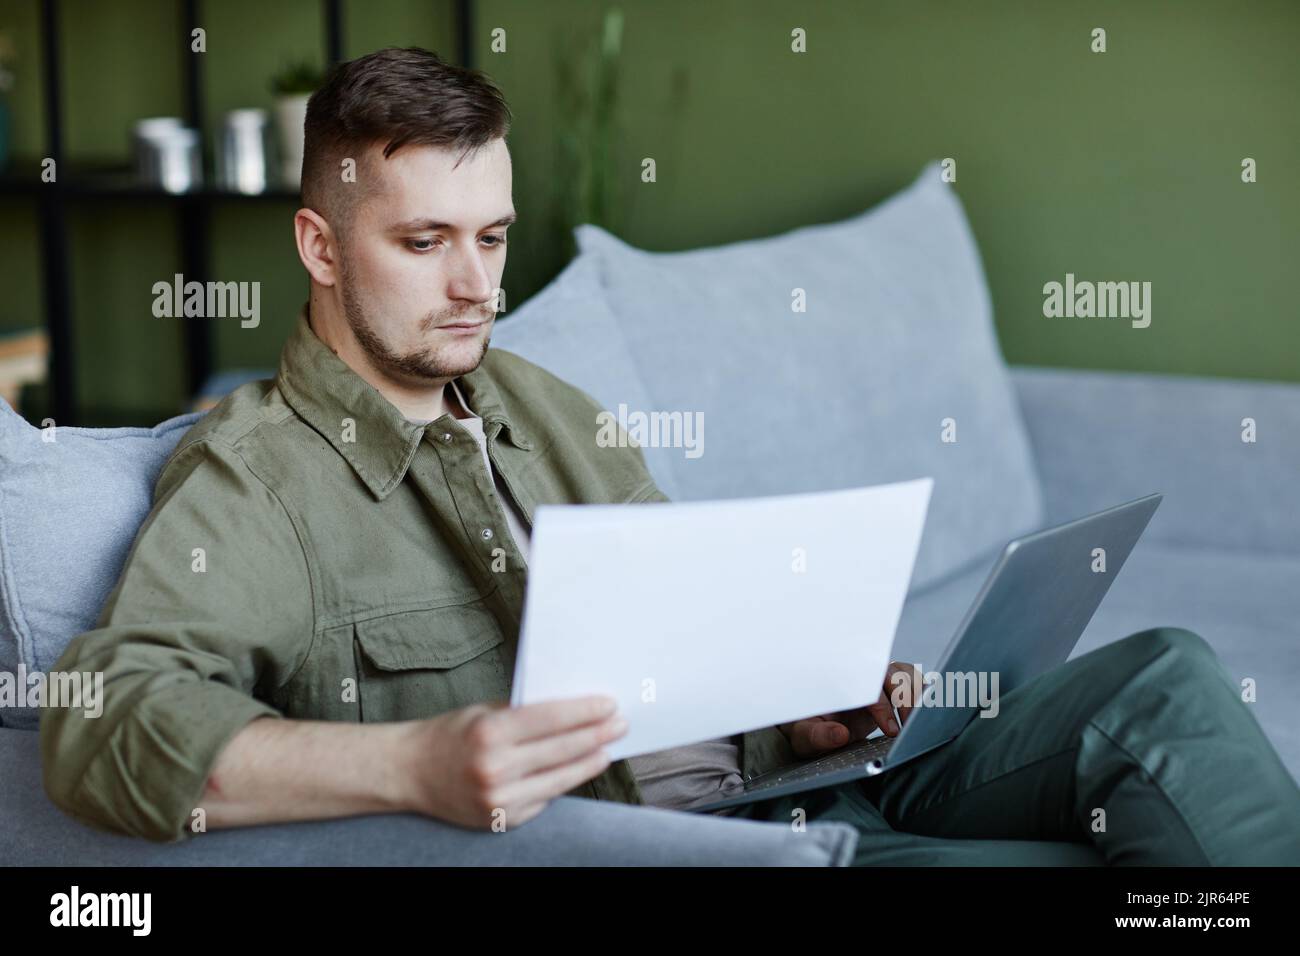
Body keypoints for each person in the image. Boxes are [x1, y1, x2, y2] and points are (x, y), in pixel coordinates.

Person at [41, 47, 1300, 865]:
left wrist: (815, 707)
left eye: (492, 236)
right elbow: (106, 723)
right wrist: (413, 761)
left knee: (1168, 680)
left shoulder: (541, 401)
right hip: (709, 846)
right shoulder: (261, 475)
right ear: (320, 247)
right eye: (425, 241)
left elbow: (696, 645)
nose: (476, 285)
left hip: (805, 780)